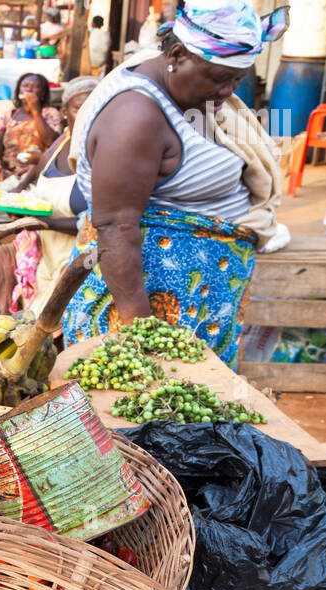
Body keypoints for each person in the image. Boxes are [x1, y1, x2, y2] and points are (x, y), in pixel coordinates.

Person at [63, 0, 288, 366]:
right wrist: (141, 333)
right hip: (147, 312)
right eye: (218, 78)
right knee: (140, 413)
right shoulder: (135, 117)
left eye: (237, 80)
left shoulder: (184, 92)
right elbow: (115, 225)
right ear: (179, 54)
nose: (228, 91)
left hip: (190, 308)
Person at [0, 77, 96, 324]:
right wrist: (12, 199)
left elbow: (96, 224)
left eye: (95, 106)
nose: (89, 114)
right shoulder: (62, 143)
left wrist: (43, 223)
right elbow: (28, 182)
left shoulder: (103, 152)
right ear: (65, 113)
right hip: (40, 251)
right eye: (80, 108)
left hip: (76, 260)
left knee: (50, 309)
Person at [0, 72, 61, 181]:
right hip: (7, 166)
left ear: (42, 93)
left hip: (34, 168)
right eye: (25, 86)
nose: (29, 90)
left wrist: (35, 110)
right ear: (19, 91)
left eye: (36, 87)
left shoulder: (50, 113)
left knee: (23, 182)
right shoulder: (8, 115)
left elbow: (51, 142)